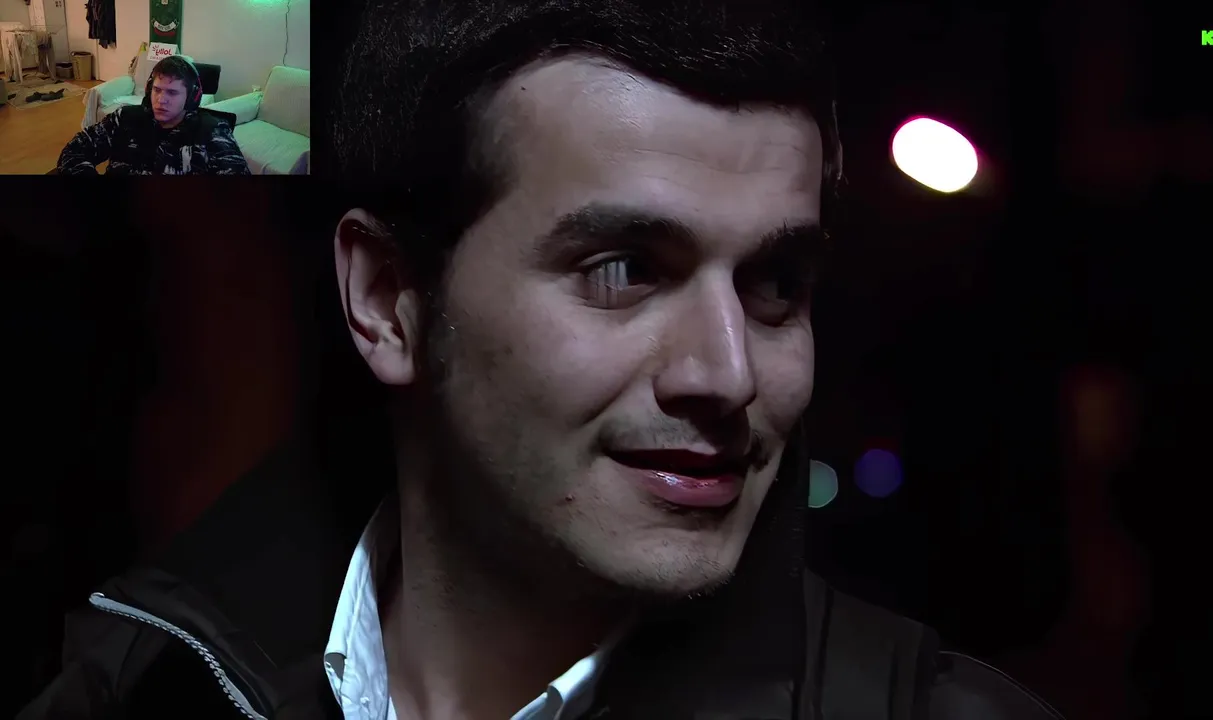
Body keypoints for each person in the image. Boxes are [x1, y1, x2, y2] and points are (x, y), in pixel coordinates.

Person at [19, 2, 1063, 718]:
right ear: (387, 301)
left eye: (775, 284)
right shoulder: (137, 687)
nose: (728, 373)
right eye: (624, 270)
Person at [54, 55, 250, 175]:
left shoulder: (213, 131)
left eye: (172, 93)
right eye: (157, 90)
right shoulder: (125, 118)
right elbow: (74, 151)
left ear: (191, 97)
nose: (161, 100)